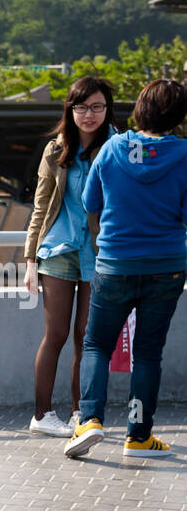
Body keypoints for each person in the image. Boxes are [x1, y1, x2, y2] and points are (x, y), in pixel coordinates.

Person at [67, 79, 187, 460]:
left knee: (96, 344)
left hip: (115, 264)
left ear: (140, 109)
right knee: (148, 352)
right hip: (166, 266)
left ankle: (89, 420)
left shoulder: (112, 148)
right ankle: (138, 435)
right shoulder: (185, 154)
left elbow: (91, 202)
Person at [23, 76, 115, 438]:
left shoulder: (117, 148)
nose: (88, 114)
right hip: (58, 251)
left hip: (98, 252)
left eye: (96, 107)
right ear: (70, 110)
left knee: (86, 336)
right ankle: (42, 414)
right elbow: (41, 206)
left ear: (107, 110)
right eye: (80, 107)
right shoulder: (55, 150)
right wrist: (30, 261)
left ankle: (81, 414)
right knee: (56, 334)